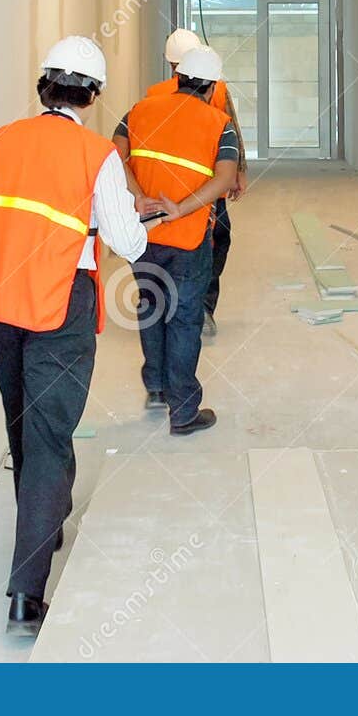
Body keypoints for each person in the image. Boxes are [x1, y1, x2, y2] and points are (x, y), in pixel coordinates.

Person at [0, 35, 149, 638]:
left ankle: (47, 520)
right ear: (94, 96)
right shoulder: (96, 156)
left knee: (22, 425)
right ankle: (27, 595)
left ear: (43, 88)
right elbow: (128, 241)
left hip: (1, 305)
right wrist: (135, 225)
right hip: (59, 307)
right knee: (51, 433)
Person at [115, 44, 239, 435]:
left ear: (179, 77)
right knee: (184, 318)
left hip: (144, 234)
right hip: (187, 236)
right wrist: (182, 208)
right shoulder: (219, 123)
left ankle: (155, 386)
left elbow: (113, 158)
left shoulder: (139, 111)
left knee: (151, 305)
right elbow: (224, 179)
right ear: (211, 86)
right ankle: (183, 410)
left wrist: (137, 195)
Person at [145, 27, 248, 339]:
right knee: (214, 240)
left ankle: (166, 304)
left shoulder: (153, 94)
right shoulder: (216, 88)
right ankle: (199, 306)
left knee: (165, 242)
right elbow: (231, 127)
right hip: (206, 184)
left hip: (166, 185)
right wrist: (237, 171)